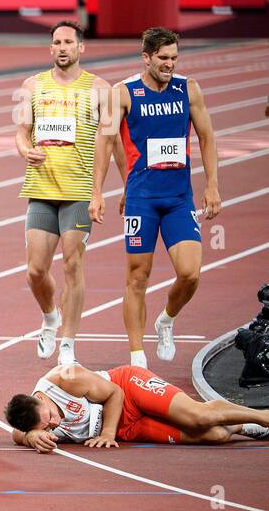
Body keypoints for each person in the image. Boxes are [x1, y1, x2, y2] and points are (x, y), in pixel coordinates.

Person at [90, 27, 220, 367]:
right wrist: (98, 192)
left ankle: (166, 320)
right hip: (141, 199)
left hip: (178, 198)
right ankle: (137, 356)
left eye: (175, 58)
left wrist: (211, 185)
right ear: (146, 57)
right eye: (163, 58)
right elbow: (104, 141)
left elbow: (207, 137)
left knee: (190, 273)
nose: (170, 64)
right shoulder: (123, 93)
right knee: (137, 277)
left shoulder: (188, 90)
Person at [16, 21, 115, 367]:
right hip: (41, 189)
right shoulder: (31, 86)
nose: (62, 47)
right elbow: (21, 132)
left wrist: (100, 192)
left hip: (78, 191)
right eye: (56, 42)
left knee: (73, 266)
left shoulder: (101, 89)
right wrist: (24, 149)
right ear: (51, 48)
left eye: (68, 42)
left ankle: (69, 342)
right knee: (35, 271)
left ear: (81, 48)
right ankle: (49, 317)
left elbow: (109, 142)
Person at [5, 363, 269, 451]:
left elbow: (114, 394)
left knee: (198, 416)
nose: (54, 423)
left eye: (50, 416)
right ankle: (245, 427)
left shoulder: (66, 377)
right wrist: (31, 436)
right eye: (47, 426)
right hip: (128, 427)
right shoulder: (34, 421)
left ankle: (263, 417)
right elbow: (16, 435)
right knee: (215, 435)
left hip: (129, 389)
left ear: (41, 397)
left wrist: (107, 434)